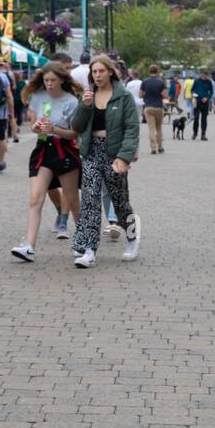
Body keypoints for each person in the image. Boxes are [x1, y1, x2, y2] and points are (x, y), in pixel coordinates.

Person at [69, 54, 141, 268]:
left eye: (101, 71)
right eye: (94, 72)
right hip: (91, 152)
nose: (97, 75)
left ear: (110, 71)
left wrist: (124, 157)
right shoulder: (87, 95)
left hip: (114, 153)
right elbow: (78, 126)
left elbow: (132, 129)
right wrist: (85, 106)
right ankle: (89, 250)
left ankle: (132, 238)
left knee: (120, 202)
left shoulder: (124, 97)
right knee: (90, 200)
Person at [12, 61, 83, 261]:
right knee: (35, 198)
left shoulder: (71, 101)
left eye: (53, 80)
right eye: (46, 80)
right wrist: (36, 126)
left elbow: (73, 134)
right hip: (43, 149)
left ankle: (83, 240)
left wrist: (54, 129)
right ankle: (29, 245)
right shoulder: (38, 97)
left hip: (65, 151)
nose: (49, 84)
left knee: (72, 200)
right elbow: (34, 123)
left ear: (61, 79)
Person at [139, 65, 166, 155]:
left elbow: (140, 95)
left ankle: (153, 148)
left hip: (148, 107)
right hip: (159, 107)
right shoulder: (161, 82)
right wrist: (159, 95)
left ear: (149, 71)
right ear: (157, 71)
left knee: (151, 128)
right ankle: (160, 147)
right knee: (159, 128)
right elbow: (166, 96)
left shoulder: (144, 82)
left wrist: (147, 96)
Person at [191, 69, 214, 141]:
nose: (204, 77)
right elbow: (192, 90)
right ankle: (195, 133)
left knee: (204, 119)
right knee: (196, 118)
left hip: (205, 103)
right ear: (200, 75)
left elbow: (211, 92)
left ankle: (203, 134)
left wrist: (207, 97)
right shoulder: (196, 81)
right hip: (197, 102)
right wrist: (193, 95)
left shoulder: (209, 82)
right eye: (203, 75)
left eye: (205, 76)